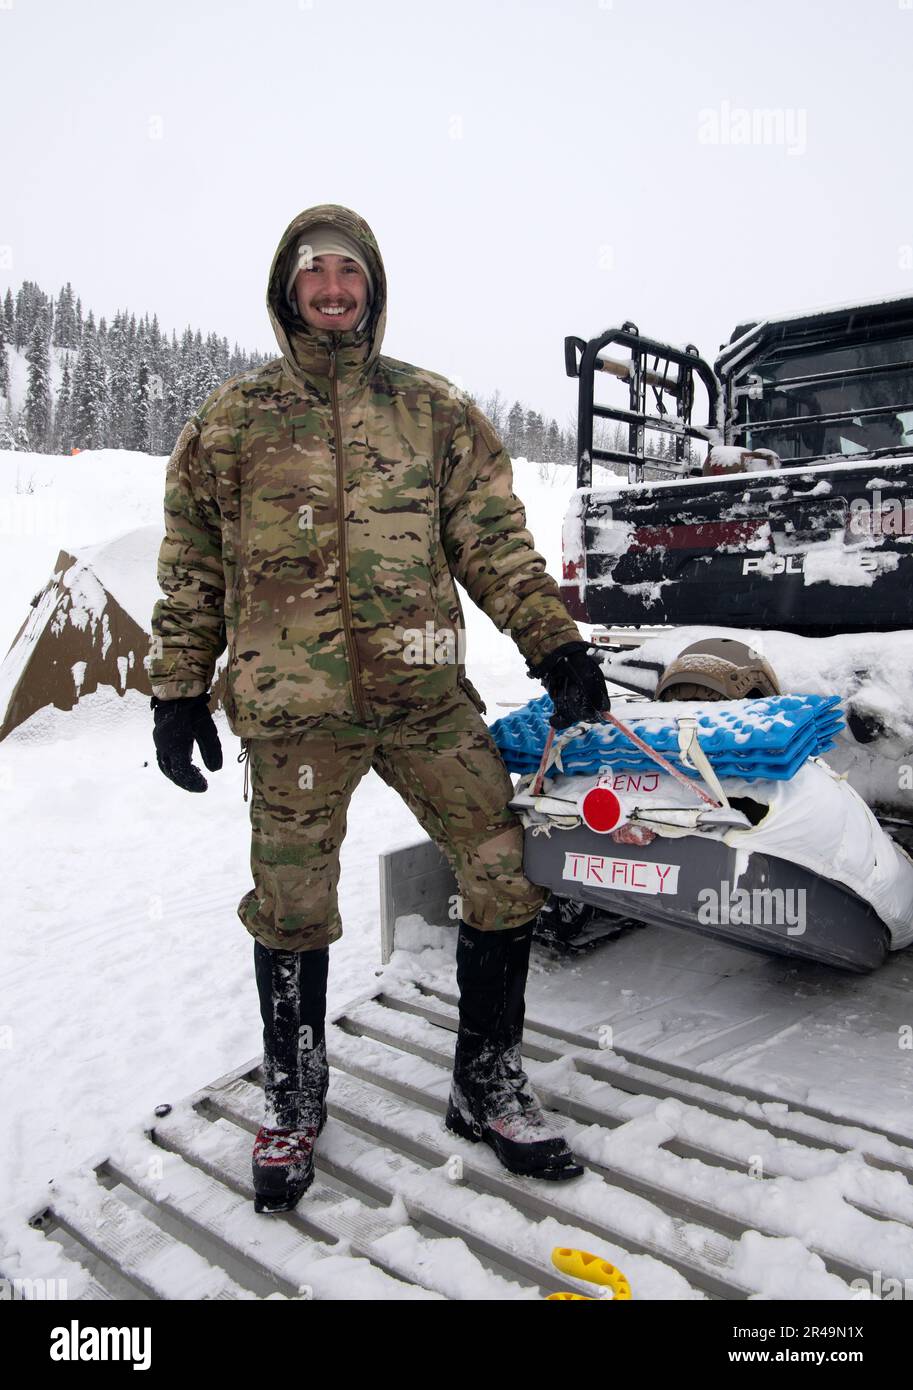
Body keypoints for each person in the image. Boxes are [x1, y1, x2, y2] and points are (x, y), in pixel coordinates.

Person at [147, 203, 609, 1213]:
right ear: (287, 289)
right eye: (313, 273)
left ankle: (483, 1080)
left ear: (372, 286)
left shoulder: (431, 410)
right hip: (294, 710)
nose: (332, 288)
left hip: (422, 697)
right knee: (292, 905)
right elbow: (188, 568)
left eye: (348, 272)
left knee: (500, 865)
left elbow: (492, 537)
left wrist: (552, 639)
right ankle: (294, 1095)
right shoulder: (229, 422)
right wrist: (178, 687)